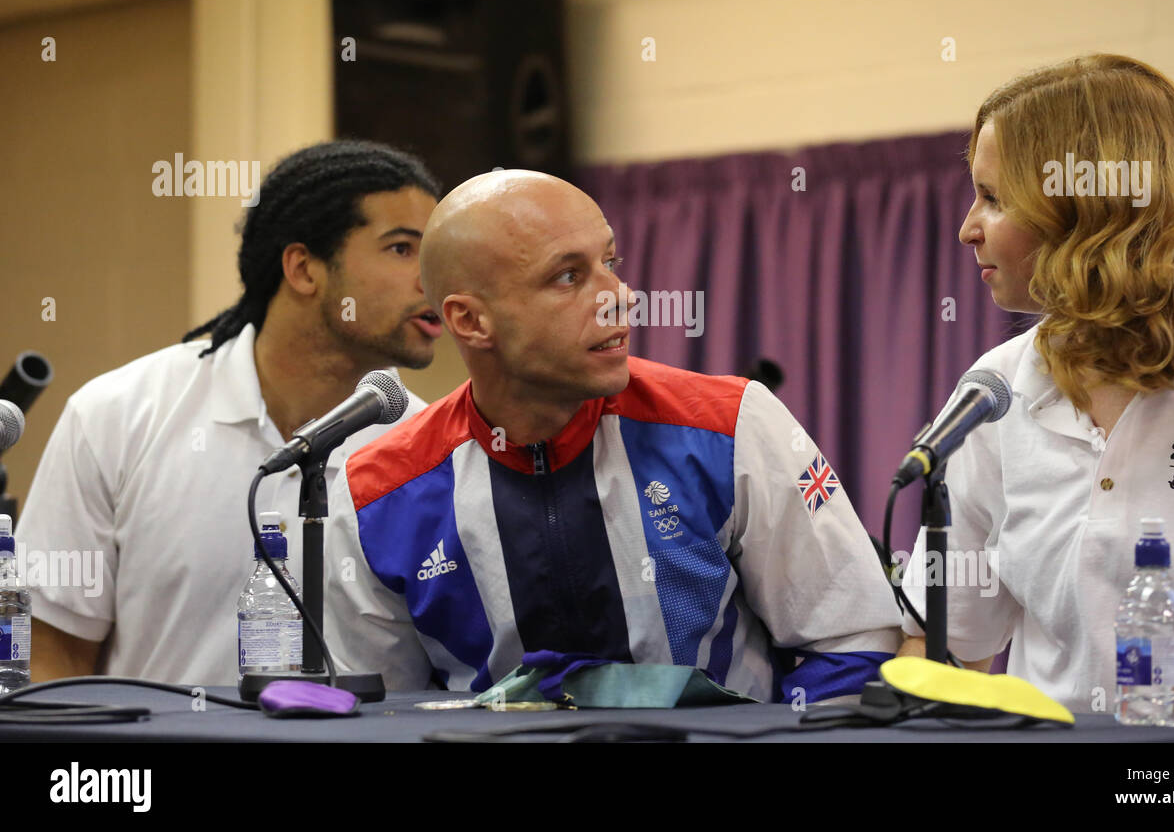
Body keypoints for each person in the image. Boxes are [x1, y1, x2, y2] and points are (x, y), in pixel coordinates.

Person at [324, 170, 901, 702]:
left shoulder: (731, 425)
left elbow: (851, 645)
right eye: (569, 276)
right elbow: (383, 713)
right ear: (470, 321)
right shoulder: (376, 493)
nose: (619, 296)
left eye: (611, 262)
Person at [898, 53, 1174, 720]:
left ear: (1091, 208)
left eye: (995, 199)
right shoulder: (995, 389)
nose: (968, 228)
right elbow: (945, 647)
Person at [16, 140, 443, 686]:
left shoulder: (437, 451)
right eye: (403, 249)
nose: (431, 278)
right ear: (304, 268)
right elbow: (52, 657)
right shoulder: (117, 415)